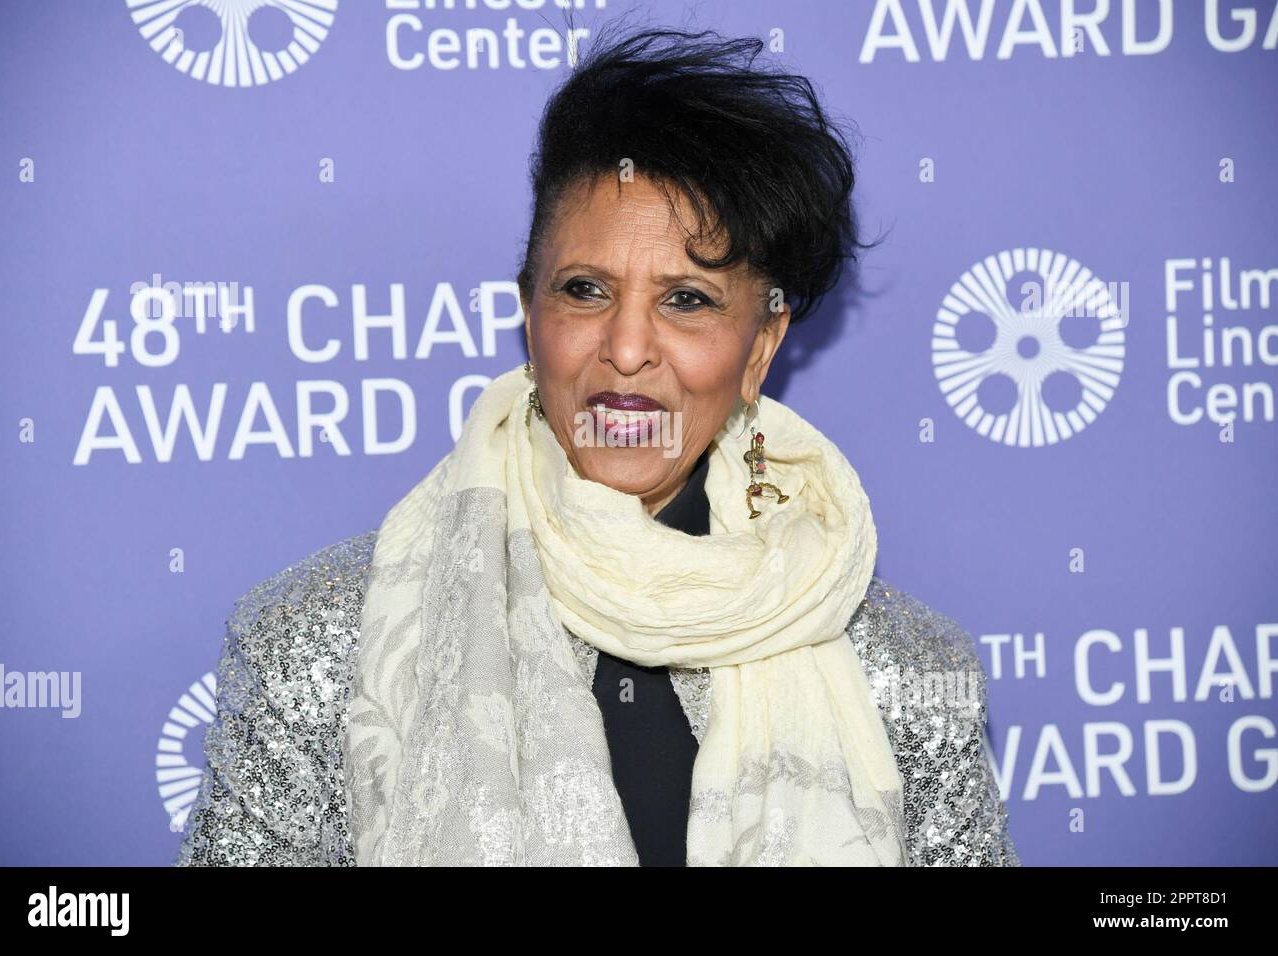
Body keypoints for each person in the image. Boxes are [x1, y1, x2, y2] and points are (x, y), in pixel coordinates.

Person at [174, 19, 1020, 867]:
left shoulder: (904, 672)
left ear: (760, 346)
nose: (624, 348)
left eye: (687, 300)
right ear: (529, 313)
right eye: (585, 290)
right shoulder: (321, 640)